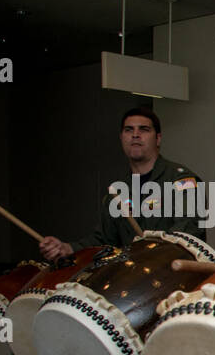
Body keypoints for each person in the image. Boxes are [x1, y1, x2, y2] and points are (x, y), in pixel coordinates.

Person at [39, 107, 204, 261]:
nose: (135, 135)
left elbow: (187, 236)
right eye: (129, 130)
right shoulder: (117, 192)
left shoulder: (182, 182)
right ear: (121, 138)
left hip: (176, 280)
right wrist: (68, 248)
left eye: (144, 129)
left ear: (158, 138)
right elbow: (104, 241)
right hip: (133, 282)